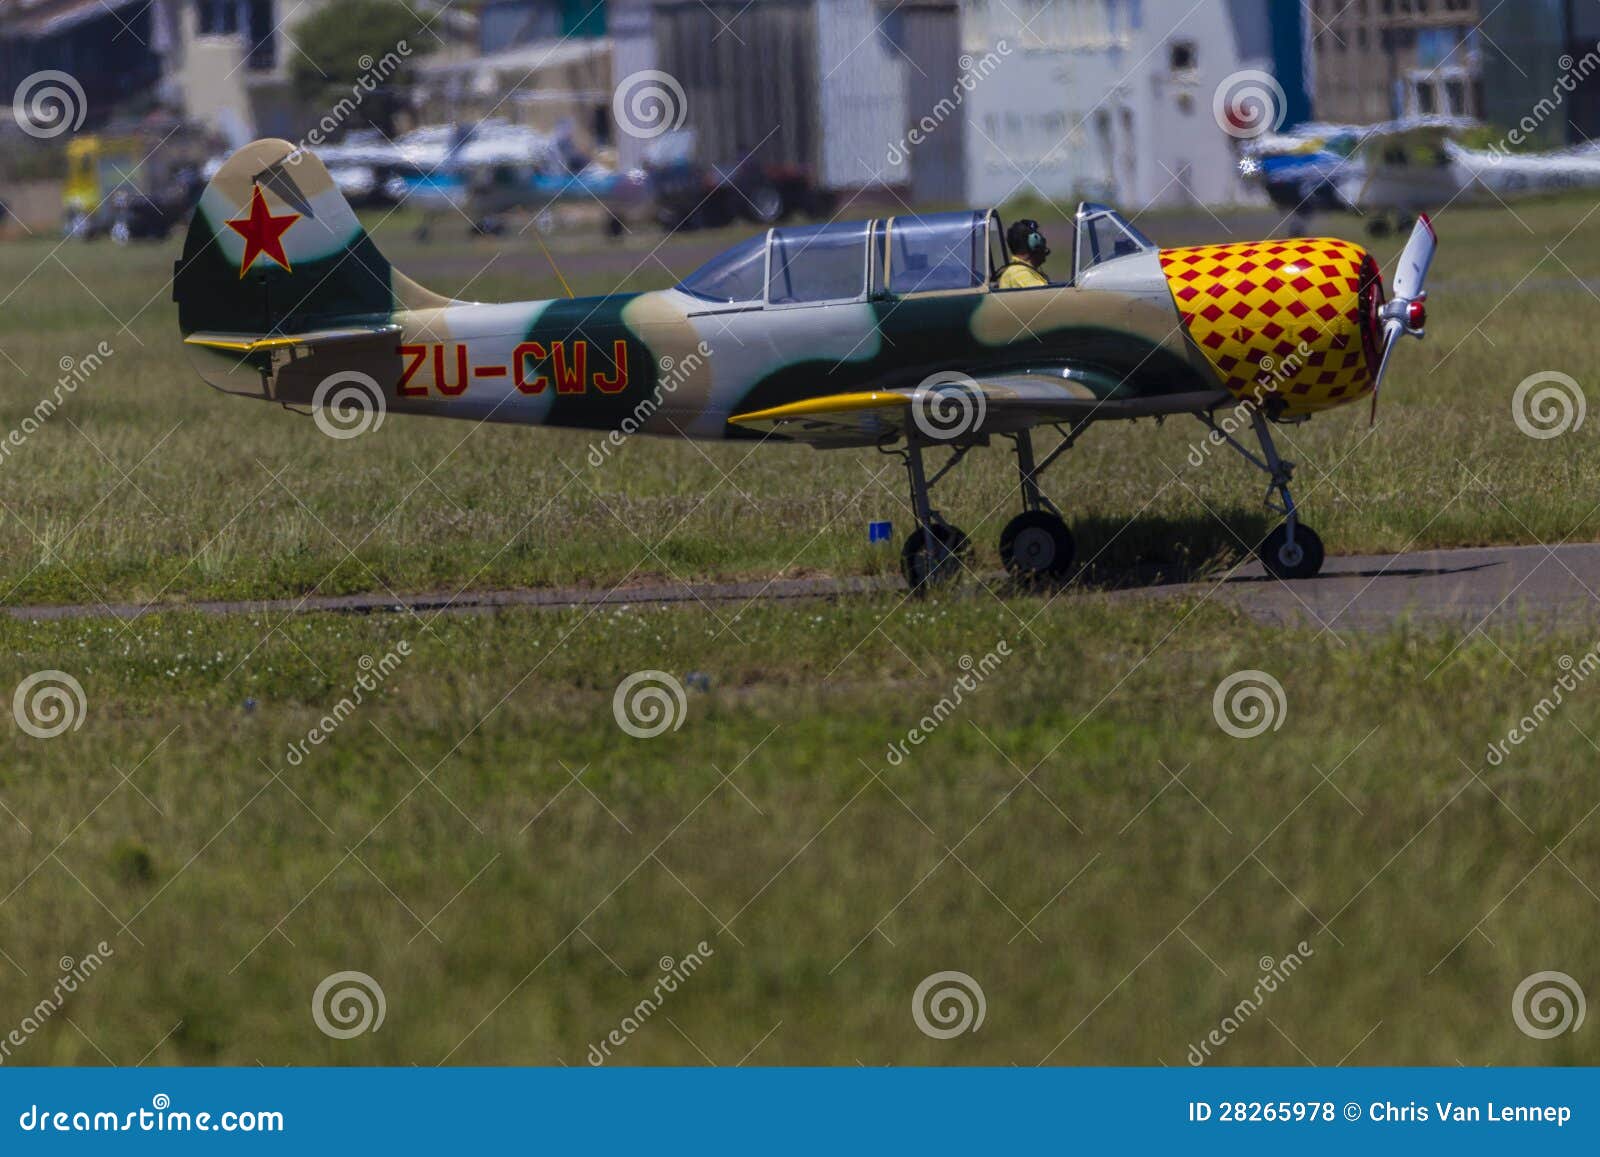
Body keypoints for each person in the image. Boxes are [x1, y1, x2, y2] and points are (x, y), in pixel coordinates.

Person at [997, 219, 1051, 289]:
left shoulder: (1023, 270)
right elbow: (1046, 296)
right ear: (1034, 244)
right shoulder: (1019, 273)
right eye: (1040, 241)